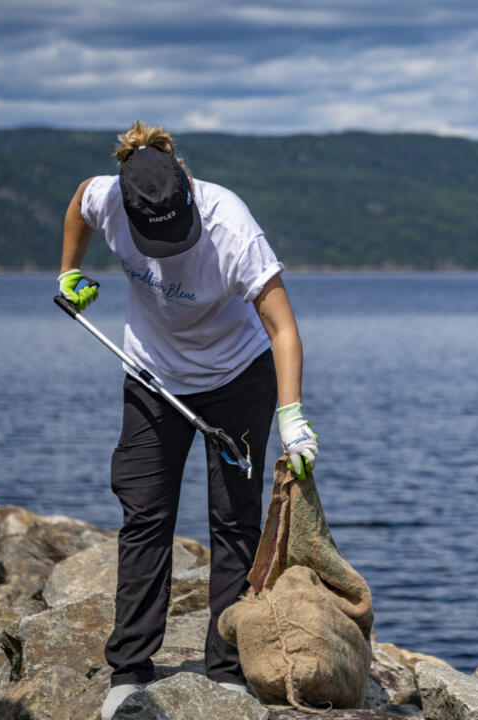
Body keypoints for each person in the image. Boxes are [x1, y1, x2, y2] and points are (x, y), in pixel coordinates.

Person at [57, 122, 319, 719]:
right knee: (145, 514)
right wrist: (68, 271)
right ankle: (129, 669)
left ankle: (226, 670)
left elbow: (283, 328)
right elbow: (78, 200)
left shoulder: (231, 227)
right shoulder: (109, 197)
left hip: (235, 376)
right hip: (152, 376)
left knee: (233, 521)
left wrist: (293, 417)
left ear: (189, 191)